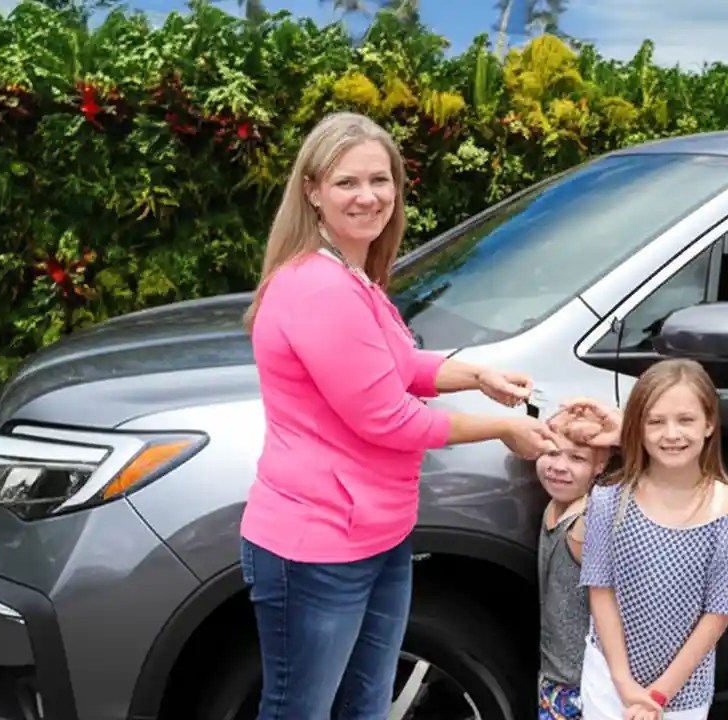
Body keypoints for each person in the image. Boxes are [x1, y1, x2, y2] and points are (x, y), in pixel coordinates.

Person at [238, 111, 558, 719]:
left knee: (365, 708)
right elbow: (388, 418)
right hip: (318, 548)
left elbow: (397, 364)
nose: (368, 197)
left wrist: (477, 375)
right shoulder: (319, 288)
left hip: (376, 536)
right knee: (296, 711)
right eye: (347, 183)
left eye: (379, 180)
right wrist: (505, 428)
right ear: (312, 191)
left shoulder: (351, 276)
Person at [577, 359, 728, 720]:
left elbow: (717, 617)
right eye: (655, 421)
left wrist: (658, 695)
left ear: (709, 424)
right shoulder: (608, 500)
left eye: (685, 420)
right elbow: (601, 590)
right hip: (608, 679)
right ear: (638, 429)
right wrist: (624, 684)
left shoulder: (726, 513)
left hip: (682, 693)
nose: (671, 434)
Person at [534, 403, 617, 720]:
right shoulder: (555, 505)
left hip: (581, 684)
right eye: (551, 452)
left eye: (577, 458)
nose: (558, 466)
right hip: (555, 676)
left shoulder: (585, 524)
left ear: (600, 465)